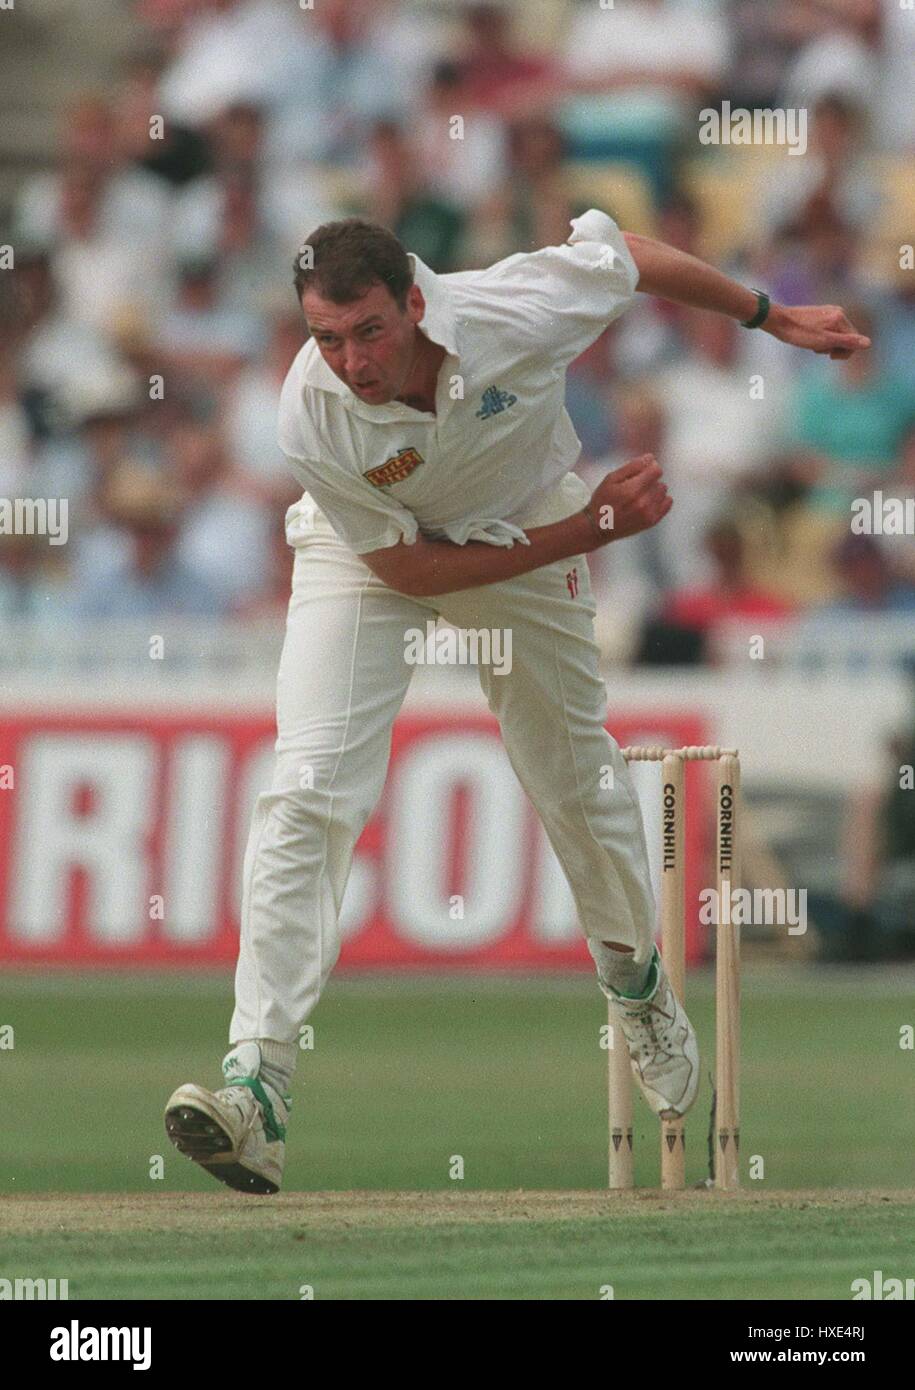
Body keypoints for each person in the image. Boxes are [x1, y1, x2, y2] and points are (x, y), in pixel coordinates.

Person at [165, 209, 869, 1193]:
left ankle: (637, 981)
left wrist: (767, 313)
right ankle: (259, 1084)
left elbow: (625, 259)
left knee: (573, 777)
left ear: (414, 300)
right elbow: (412, 570)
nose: (354, 360)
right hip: (379, 555)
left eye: (370, 330)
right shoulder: (309, 410)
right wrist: (593, 528)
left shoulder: (508, 309)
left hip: (522, 522)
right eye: (328, 338)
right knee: (310, 784)